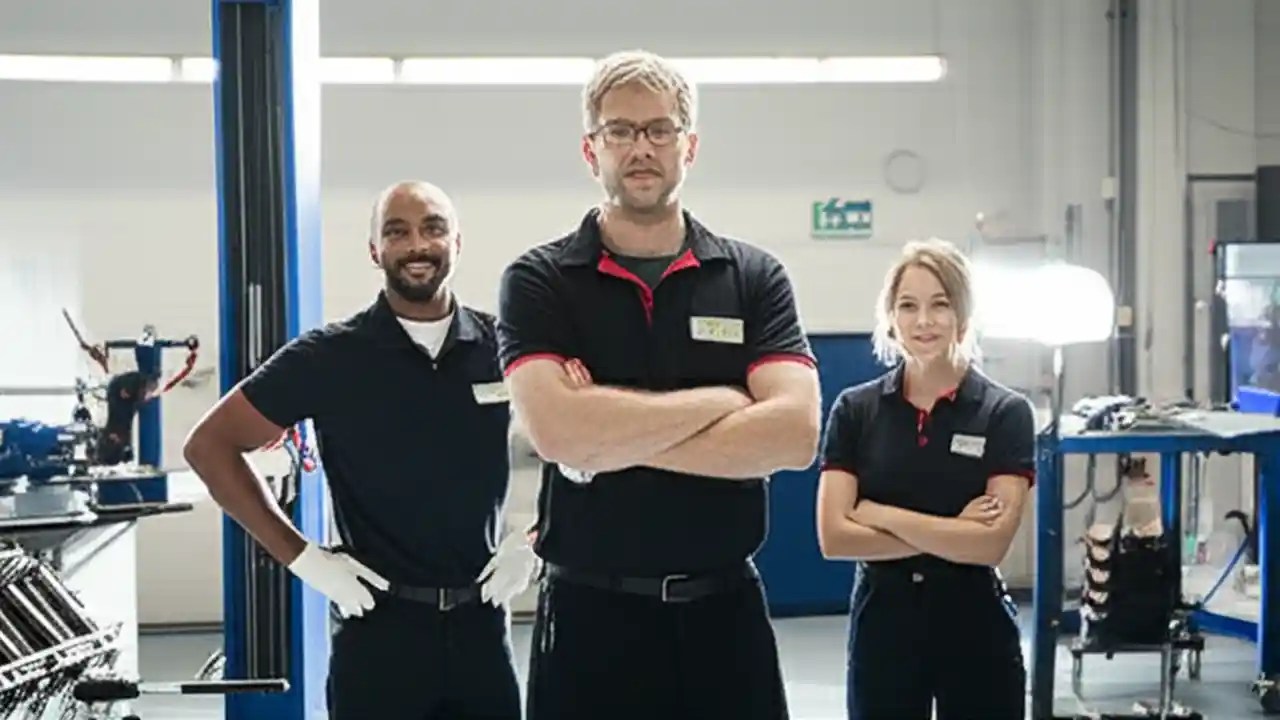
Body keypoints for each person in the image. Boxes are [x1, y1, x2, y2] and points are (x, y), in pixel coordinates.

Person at [490, 49, 822, 720]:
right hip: (590, 618)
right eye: (620, 131)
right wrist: (726, 404)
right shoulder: (540, 281)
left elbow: (793, 435)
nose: (641, 147)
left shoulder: (753, 277)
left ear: (689, 145)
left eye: (660, 129)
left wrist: (604, 440)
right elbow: (558, 432)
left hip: (723, 617)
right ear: (592, 150)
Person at [182, 180, 532, 720]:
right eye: (397, 232)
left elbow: (585, 447)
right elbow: (210, 446)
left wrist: (538, 538)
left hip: (482, 629)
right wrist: (303, 559)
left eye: (433, 228)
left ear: (457, 243)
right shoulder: (330, 357)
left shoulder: (502, 347)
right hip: (379, 632)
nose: (417, 244)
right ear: (375, 251)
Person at [814, 238, 1035, 720]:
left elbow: (989, 547)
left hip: (974, 621)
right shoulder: (856, 410)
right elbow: (834, 537)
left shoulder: (1005, 413)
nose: (924, 321)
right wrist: (953, 529)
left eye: (940, 304)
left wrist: (878, 515)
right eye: (908, 306)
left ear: (963, 314)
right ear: (890, 318)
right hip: (884, 623)